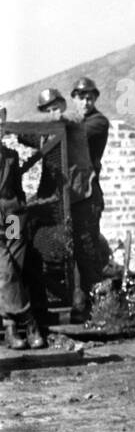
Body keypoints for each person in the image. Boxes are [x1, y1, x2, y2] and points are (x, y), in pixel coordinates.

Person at [20, 87, 101, 322]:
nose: (52, 113)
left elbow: (62, 119)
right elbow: (25, 134)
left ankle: (91, 312)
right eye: (47, 109)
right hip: (11, 220)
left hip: (73, 199)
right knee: (16, 258)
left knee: (84, 255)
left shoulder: (72, 121)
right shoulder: (12, 154)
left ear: (64, 105)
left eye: (56, 107)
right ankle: (21, 317)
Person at [0, 106, 49, 350]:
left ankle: (10, 327)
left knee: (14, 269)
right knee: (6, 271)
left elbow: (16, 191)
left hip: (11, 220)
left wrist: (20, 214)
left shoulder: (11, 156)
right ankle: (30, 322)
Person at [70, 77, 110, 283]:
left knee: (87, 250)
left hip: (87, 196)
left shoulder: (98, 122)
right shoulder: (71, 123)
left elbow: (75, 135)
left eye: (90, 98)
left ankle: (93, 310)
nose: (86, 102)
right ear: (74, 99)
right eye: (82, 98)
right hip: (70, 195)